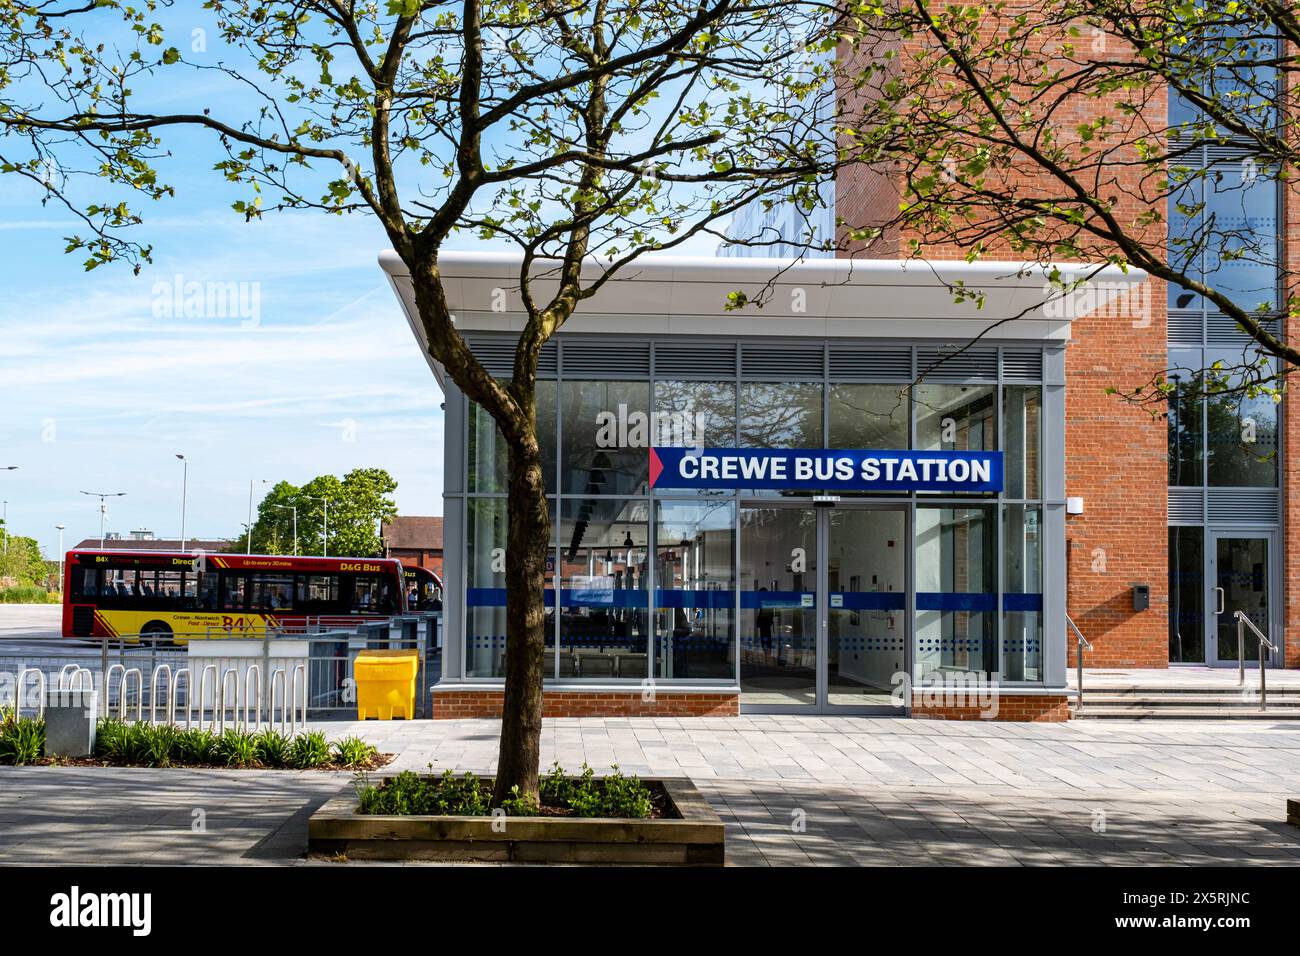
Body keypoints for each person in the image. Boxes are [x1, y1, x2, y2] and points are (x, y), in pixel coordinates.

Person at [756, 587, 775, 664]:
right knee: (765, 640)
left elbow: (766, 615)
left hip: (765, 625)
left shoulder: (767, 602)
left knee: (765, 640)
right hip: (765, 624)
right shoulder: (765, 602)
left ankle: (767, 656)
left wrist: (760, 621)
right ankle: (767, 655)